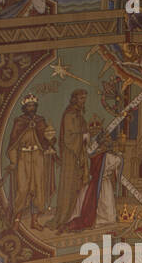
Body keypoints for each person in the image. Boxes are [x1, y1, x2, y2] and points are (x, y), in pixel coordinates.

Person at [7, 94, 56, 229]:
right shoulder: (19, 122)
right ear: (24, 107)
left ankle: (34, 221)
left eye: (33, 105)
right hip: (23, 157)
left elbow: (46, 138)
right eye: (29, 105)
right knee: (23, 189)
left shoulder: (40, 121)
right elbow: (12, 143)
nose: (31, 108)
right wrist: (13, 161)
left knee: (38, 188)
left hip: (38, 156)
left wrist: (51, 140)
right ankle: (17, 219)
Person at [55, 89, 88, 228]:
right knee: (69, 185)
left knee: (77, 185)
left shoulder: (78, 114)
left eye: (84, 98)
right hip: (71, 155)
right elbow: (69, 136)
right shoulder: (70, 114)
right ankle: (64, 217)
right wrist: (83, 137)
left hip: (77, 154)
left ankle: (73, 215)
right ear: (74, 99)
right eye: (81, 98)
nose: (83, 101)